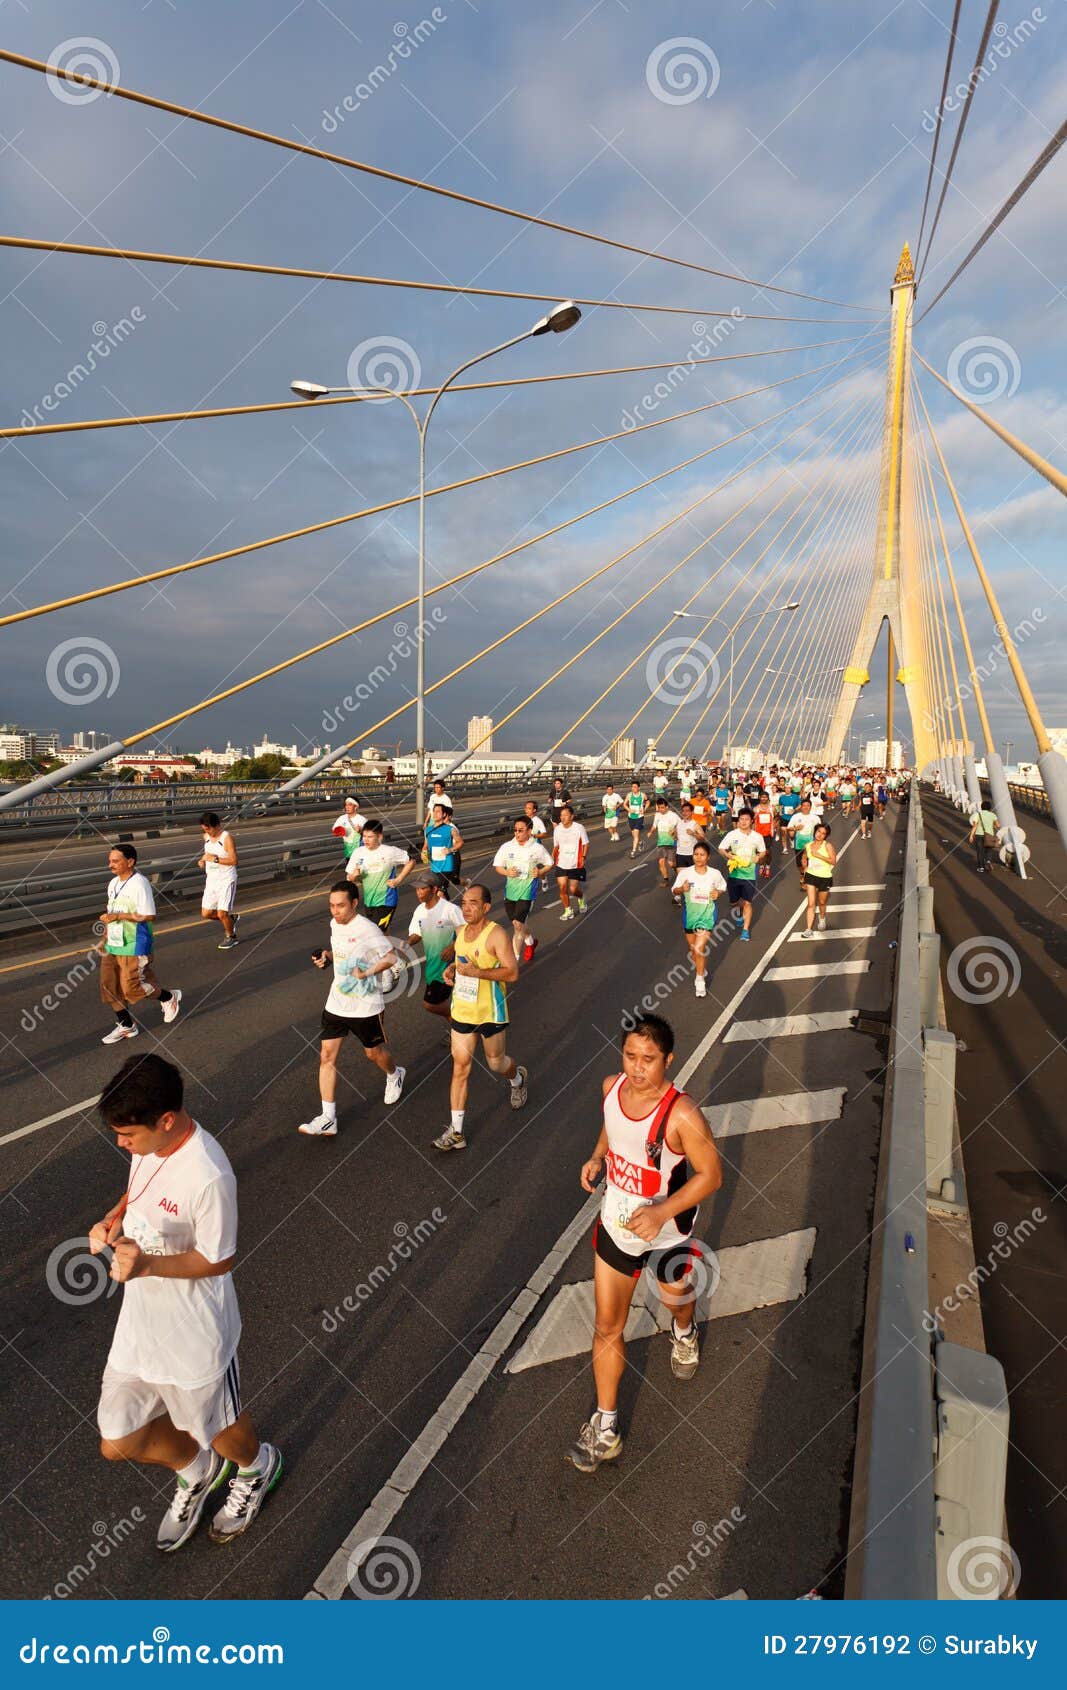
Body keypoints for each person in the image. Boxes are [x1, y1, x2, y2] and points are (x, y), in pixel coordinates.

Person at [90, 1054, 281, 1550]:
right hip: (141, 1324)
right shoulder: (147, 1146)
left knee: (217, 1428)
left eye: (128, 1134)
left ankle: (255, 1467)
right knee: (118, 1439)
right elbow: (139, 1189)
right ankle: (195, 1471)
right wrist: (113, 1218)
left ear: (166, 1121)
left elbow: (219, 1261)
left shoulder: (209, 1175)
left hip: (196, 1333)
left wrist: (148, 1265)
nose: (121, 1143)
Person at [566, 1016, 722, 1473]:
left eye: (649, 1060)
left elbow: (711, 1176)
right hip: (616, 1225)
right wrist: (598, 1156)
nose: (637, 1068)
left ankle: (685, 1333)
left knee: (676, 1301)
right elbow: (611, 1128)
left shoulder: (683, 1114)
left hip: (668, 1234)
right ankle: (606, 1425)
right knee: (607, 1326)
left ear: (668, 1060)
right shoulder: (610, 1087)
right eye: (631, 1056)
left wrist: (660, 1212)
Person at [298, 882, 406, 1136]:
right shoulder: (335, 924)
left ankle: (395, 1073)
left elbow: (391, 957)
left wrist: (367, 972)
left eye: (341, 906)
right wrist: (326, 956)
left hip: (366, 1005)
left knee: (373, 1054)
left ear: (355, 904)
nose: (335, 911)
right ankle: (328, 1117)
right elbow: (341, 953)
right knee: (326, 1057)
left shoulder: (368, 929)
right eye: (331, 906)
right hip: (337, 1001)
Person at [433, 883, 528, 1152]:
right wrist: (452, 969)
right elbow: (462, 959)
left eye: (473, 903)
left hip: (490, 1011)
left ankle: (517, 1078)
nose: (466, 907)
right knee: (460, 1067)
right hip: (462, 1008)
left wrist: (479, 974)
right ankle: (457, 1132)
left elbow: (512, 973)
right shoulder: (461, 932)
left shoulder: (496, 934)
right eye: (464, 903)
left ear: (486, 907)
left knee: (496, 1063)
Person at [98, 845, 181, 1044]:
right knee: (109, 986)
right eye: (110, 861)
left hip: (135, 942)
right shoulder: (113, 883)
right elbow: (111, 912)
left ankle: (168, 997)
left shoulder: (139, 884)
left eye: (115, 861)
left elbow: (149, 915)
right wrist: (105, 938)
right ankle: (127, 1025)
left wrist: (119, 916)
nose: (111, 865)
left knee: (131, 988)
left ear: (130, 862)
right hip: (114, 943)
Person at [492, 815, 553, 961]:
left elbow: (549, 863)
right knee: (517, 924)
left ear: (530, 831)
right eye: (515, 830)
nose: (517, 833)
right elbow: (497, 866)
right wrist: (507, 872)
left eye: (521, 830)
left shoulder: (537, 848)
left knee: (518, 926)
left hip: (527, 892)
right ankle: (531, 942)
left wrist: (540, 872)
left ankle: (514, 960)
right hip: (510, 892)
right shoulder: (506, 847)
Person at [407, 871, 464, 1019]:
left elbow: (466, 932)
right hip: (433, 967)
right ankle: (458, 1027)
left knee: (431, 1004)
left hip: (449, 966)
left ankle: (457, 1022)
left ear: (434, 890)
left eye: (423, 888)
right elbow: (416, 934)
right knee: (449, 1000)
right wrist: (406, 943)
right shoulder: (419, 911)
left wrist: (452, 947)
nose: (418, 893)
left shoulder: (450, 909)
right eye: (417, 889)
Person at [672, 840, 726, 997]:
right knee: (692, 950)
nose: (698, 857)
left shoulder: (714, 874)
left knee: (698, 948)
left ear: (708, 857)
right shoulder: (685, 873)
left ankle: (699, 980)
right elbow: (674, 891)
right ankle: (701, 968)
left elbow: (722, 887)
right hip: (689, 916)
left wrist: (718, 893)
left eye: (702, 855)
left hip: (707, 915)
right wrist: (682, 889)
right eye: (696, 854)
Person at [345, 820, 415, 932]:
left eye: (370, 837)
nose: (366, 840)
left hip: (387, 901)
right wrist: (355, 876)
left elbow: (411, 861)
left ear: (379, 837)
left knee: (375, 934)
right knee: (382, 935)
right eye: (364, 836)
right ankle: (390, 949)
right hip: (369, 902)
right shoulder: (358, 853)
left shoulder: (389, 851)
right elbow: (350, 877)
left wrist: (398, 880)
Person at [718, 808, 766, 940]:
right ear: (738, 820)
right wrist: (728, 855)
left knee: (748, 903)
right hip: (734, 874)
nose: (743, 822)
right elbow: (721, 848)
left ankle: (745, 930)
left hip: (749, 875)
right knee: (734, 902)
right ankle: (738, 914)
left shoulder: (757, 837)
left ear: (751, 821)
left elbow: (762, 851)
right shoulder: (732, 835)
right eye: (741, 819)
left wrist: (758, 857)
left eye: (746, 819)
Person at [198, 813, 239, 950]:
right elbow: (207, 855)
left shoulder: (226, 838)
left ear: (217, 825)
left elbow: (234, 861)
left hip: (226, 879)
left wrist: (215, 859)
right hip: (211, 880)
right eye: (204, 829)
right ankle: (230, 920)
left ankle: (231, 936)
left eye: (208, 829)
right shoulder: (206, 837)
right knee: (206, 913)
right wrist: (202, 861)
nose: (207, 832)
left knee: (222, 913)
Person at [553, 802, 590, 920]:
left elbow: (585, 843)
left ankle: (581, 897)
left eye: (565, 815)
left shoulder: (579, 828)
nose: (562, 817)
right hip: (561, 863)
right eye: (561, 815)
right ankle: (568, 910)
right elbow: (556, 846)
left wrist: (583, 857)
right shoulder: (557, 829)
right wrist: (551, 858)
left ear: (572, 816)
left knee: (573, 890)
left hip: (575, 863)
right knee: (562, 887)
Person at [801, 822, 837, 936]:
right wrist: (805, 867)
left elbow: (833, 861)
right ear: (815, 831)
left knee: (821, 902)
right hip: (811, 876)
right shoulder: (808, 845)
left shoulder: (828, 846)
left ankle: (822, 918)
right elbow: (804, 857)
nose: (820, 835)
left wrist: (818, 855)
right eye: (818, 832)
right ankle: (808, 929)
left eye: (823, 833)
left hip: (825, 877)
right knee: (811, 903)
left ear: (826, 836)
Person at [423, 803, 464, 893]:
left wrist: (450, 849)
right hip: (434, 866)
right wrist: (424, 854)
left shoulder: (450, 829)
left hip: (446, 866)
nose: (435, 813)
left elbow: (460, 842)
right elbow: (425, 846)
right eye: (434, 811)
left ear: (444, 814)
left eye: (438, 811)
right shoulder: (428, 830)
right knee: (438, 893)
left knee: (439, 893)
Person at [673, 800, 705, 904]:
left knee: (693, 878)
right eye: (683, 811)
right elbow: (676, 836)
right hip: (680, 854)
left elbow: (703, 838)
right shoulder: (679, 823)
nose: (685, 813)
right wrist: (674, 835)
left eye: (687, 811)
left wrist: (693, 834)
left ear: (691, 812)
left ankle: (693, 896)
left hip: (692, 855)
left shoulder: (695, 824)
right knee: (681, 876)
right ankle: (679, 897)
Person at [651, 796, 680, 891]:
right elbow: (654, 825)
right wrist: (651, 832)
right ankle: (666, 879)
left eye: (662, 807)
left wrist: (675, 831)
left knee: (671, 864)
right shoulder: (657, 815)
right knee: (661, 862)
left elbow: (680, 825)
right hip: (661, 843)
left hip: (672, 843)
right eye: (659, 807)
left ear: (667, 807)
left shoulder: (673, 815)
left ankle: (680, 871)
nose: (660, 809)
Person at [787, 797, 819, 881]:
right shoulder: (796, 816)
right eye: (804, 805)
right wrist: (795, 828)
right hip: (799, 843)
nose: (805, 807)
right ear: (801, 807)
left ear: (810, 807)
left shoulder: (815, 818)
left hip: (812, 844)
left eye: (808, 805)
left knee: (810, 862)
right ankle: (802, 873)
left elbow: (820, 830)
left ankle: (808, 877)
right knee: (799, 863)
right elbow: (788, 828)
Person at [331, 796, 366, 864]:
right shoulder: (342, 818)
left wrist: (360, 830)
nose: (347, 807)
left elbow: (370, 833)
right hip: (348, 850)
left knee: (360, 871)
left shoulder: (362, 819)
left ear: (356, 807)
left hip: (360, 850)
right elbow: (334, 830)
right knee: (350, 871)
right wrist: (339, 831)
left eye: (350, 805)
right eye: (346, 805)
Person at [968, 802, 1000, 873]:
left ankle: (981, 868)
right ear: (990, 808)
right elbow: (998, 825)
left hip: (979, 835)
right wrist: (993, 825)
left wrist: (971, 836)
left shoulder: (977, 814)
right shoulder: (993, 815)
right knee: (989, 849)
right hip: (989, 835)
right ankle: (988, 860)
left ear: (981, 807)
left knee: (980, 851)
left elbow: (975, 826)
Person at [753, 790, 776, 876]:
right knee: (759, 852)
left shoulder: (772, 808)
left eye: (765, 797)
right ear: (759, 798)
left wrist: (775, 830)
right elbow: (752, 821)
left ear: (768, 798)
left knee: (768, 852)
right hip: (758, 834)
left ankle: (768, 867)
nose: (764, 798)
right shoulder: (756, 809)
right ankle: (762, 866)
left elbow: (776, 818)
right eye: (762, 797)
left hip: (768, 834)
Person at [626, 780, 648, 857]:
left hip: (639, 817)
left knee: (635, 833)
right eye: (632, 787)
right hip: (631, 817)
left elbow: (648, 802)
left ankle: (633, 852)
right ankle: (640, 842)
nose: (633, 788)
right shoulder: (629, 795)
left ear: (639, 787)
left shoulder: (642, 795)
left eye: (635, 787)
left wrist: (644, 809)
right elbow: (625, 804)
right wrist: (629, 810)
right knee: (635, 835)